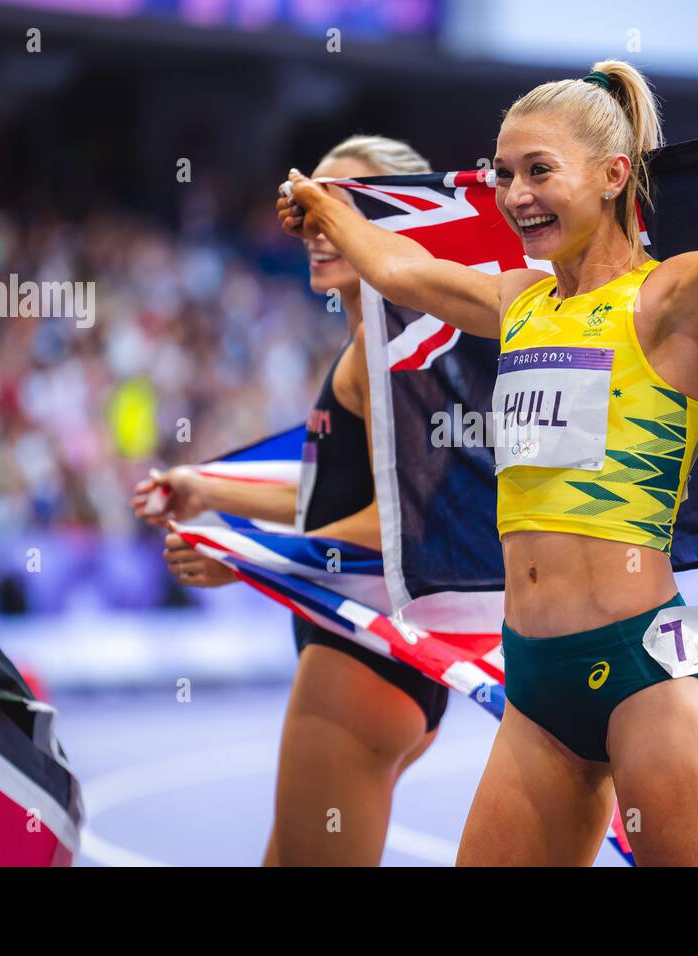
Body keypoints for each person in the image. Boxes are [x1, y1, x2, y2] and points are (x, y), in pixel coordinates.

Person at [277, 58, 698, 865]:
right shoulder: (516, 304)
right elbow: (400, 268)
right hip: (536, 688)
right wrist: (326, 208)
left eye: (540, 171)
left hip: (649, 674)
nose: (515, 195)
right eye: (504, 174)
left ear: (613, 176)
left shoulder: (671, 301)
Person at [132, 135, 450, 866]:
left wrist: (247, 559)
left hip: (359, 664)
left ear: (401, 221)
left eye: (339, 205)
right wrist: (208, 488)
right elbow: (340, 495)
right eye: (308, 206)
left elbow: (407, 523)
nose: (313, 225)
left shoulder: (386, 344)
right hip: (388, 663)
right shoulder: (394, 336)